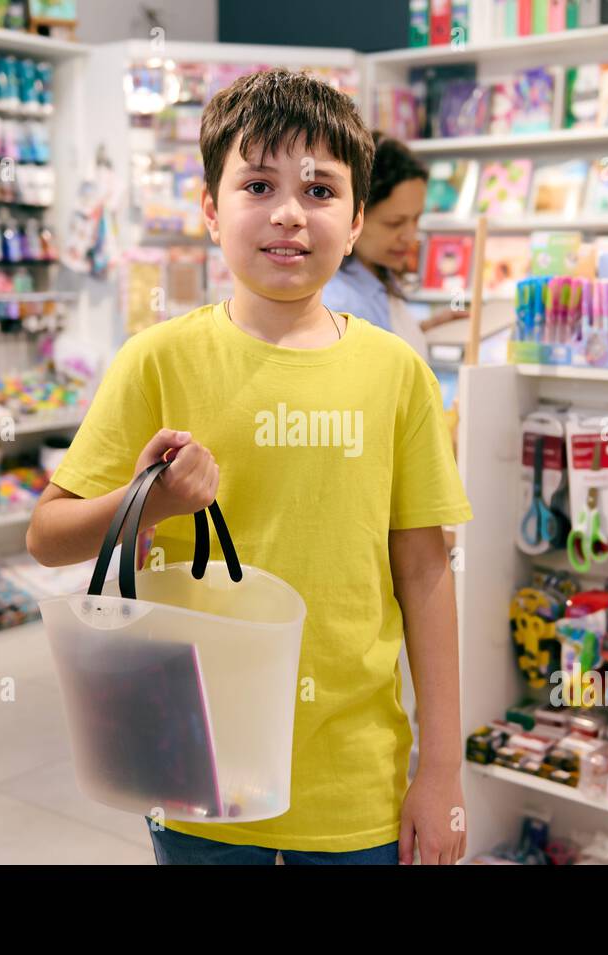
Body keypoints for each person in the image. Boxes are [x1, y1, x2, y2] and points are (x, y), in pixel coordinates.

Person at [26, 68, 472, 865]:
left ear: (357, 214)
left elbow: (424, 570)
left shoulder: (397, 372)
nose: (290, 214)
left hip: (356, 784)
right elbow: (48, 536)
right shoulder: (156, 360)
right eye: (258, 184)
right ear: (210, 207)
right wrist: (151, 500)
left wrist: (440, 770)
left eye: (321, 190)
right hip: (194, 765)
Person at [321, 131, 466, 359]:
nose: (410, 237)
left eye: (416, 218)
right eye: (394, 223)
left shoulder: (378, 275)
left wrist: (424, 329)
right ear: (354, 217)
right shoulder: (339, 303)